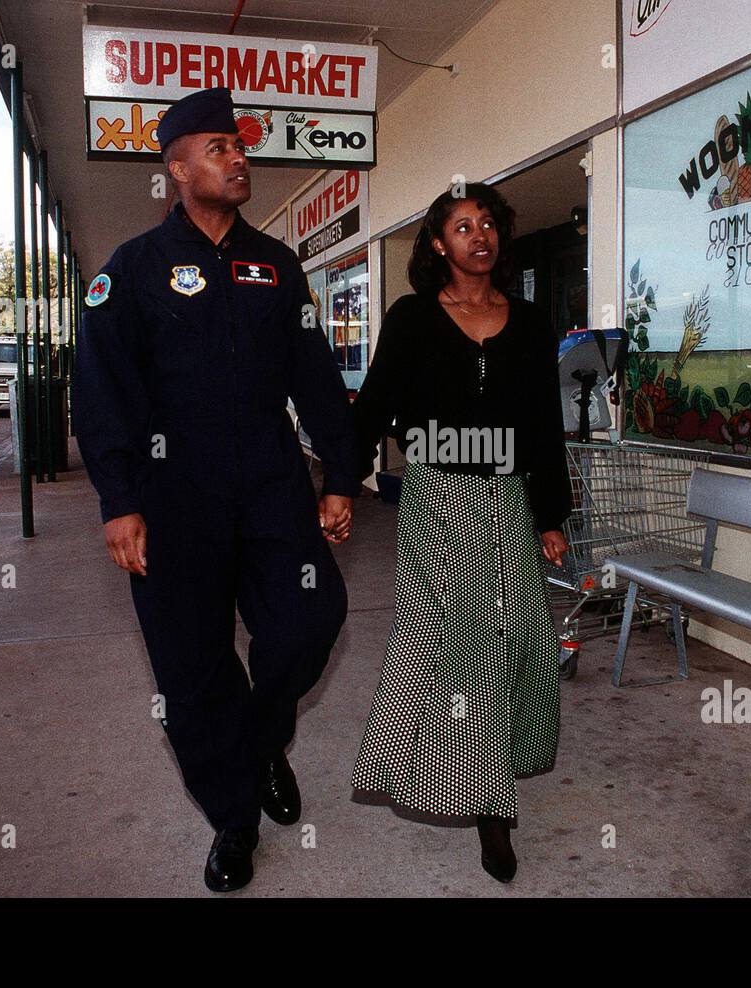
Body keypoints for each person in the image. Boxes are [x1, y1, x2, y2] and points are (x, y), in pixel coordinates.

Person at [74, 87, 358, 893]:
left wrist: (339, 475)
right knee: (191, 670)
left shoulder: (277, 263)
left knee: (311, 620)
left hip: (270, 485)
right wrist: (118, 498)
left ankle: (261, 739)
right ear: (176, 168)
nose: (238, 158)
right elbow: (102, 393)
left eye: (239, 146)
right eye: (218, 148)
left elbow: (314, 376)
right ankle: (234, 817)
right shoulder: (132, 270)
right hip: (172, 501)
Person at [347, 182, 571, 883]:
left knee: (518, 638)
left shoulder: (532, 324)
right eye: (463, 226)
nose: (480, 236)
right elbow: (377, 404)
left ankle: (491, 778)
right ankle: (486, 808)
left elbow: (542, 423)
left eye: (489, 225)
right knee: (455, 641)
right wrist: (336, 485)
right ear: (439, 245)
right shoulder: (413, 317)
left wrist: (551, 514)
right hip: (437, 496)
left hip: (507, 497)